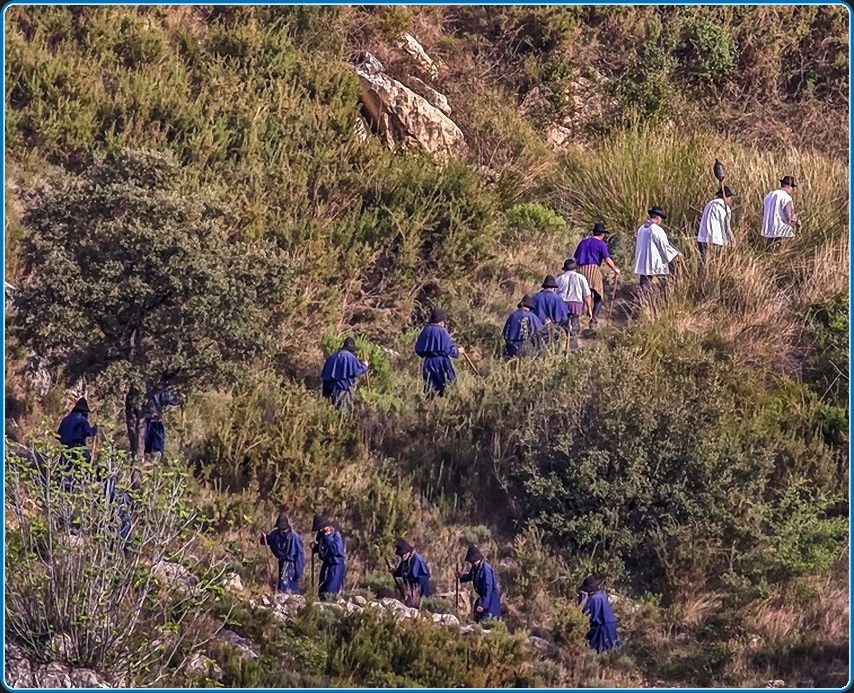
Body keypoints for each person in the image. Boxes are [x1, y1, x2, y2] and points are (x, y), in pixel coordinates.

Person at [574, 222, 621, 328]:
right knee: (598, 295)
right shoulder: (601, 244)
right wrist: (615, 269)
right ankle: (593, 321)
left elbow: (575, 258)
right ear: (602, 234)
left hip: (580, 270)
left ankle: (579, 319)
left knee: (582, 295)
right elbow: (607, 259)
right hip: (593, 269)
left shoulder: (583, 242)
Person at [414, 308, 464, 397]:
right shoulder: (442, 331)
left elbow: (418, 349)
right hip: (442, 362)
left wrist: (427, 355)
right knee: (448, 385)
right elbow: (448, 349)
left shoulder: (425, 331)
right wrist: (458, 351)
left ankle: (430, 403)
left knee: (430, 387)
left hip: (428, 363)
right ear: (441, 321)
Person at [633, 206, 682, 292]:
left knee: (644, 282)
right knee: (665, 279)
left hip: (643, 260)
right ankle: (664, 295)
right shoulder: (656, 229)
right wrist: (676, 253)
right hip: (654, 261)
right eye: (661, 218)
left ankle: (642, 298)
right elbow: (664, 246)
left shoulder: (641, 228)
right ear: (658, 217)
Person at [260, 511, 304, 594]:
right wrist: (264, 538)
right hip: (282, 561)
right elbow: (267, 540)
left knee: (287, 584)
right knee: (282, 582)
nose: (281, 530)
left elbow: (299, 555)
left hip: (291, 564)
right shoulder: (276, 533)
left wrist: (299, 572)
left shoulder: (294, 537)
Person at [320, 337, 370, 412]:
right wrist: (365, 366)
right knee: (344, 414)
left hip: (328, 392)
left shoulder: (332, 357)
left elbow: (325, 377)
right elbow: (357, 372)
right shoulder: (350, 358)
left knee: (329, 412)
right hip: (342, 393)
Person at [456, 544, 501, 623]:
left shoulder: (486, 569)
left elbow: (488, 588)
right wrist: (461, 576)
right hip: (483, 598)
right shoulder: (475, 568)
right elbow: (471, 576)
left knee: (488, 621)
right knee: (479, 619)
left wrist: (483, 604)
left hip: (490, 601)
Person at [577, 575, 621, 653]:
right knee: (612, 649)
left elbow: (585, 614)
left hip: (600, 629)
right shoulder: (602, 596)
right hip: (611, 626)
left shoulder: (592, 599)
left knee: (598, 650)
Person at [556, 259, 593, 349]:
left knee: (562, 327)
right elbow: (587, 295)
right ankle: (572, 347)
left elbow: (555, 294)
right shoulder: (581, 278)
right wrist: (589, 308)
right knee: (575, 325)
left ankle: (561, 346)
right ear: (575, 268)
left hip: (562, 304)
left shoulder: (559, 278)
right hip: (576, 304)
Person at [388, 538, 431, 608]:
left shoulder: (416, 559)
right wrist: (394, 572)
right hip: (411, 589)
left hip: (420, 587)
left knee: (420, 607)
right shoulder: (405, 560)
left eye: (402, 554)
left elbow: (411, 574)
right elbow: (400, 572)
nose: (401, 556)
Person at [310, 515, 345, 600]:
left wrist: (328, 537)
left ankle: (329, 601)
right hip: (327, 563)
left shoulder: (335, 535)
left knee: (331, 587)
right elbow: (323, 547)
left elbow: (336, 550)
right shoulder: (322, 536)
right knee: (322, 585)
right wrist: (315, 547)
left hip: (336, 564)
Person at [697, 186, 736, 259]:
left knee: (704, 262)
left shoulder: (709, 204)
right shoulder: (726, 208)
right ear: (726, 198)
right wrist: (733, 241)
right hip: (716, 240)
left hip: (702, 238)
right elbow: (727, 227)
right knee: (716, 262)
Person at [57, 397, 97, 464]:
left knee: (65, 466)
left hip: (65, 450)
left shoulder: (65, 419)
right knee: (86, 461)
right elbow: (90, 432)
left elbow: (58, 436)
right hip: (78, 449)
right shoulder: (82, 420)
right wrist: (95, 428)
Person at [761, 175, 799, 245]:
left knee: (770, 251)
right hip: (783, 232)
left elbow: (763, 212)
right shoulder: (786, 198)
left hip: (768, 232)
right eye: (792, 187)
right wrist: (797, 222)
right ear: (789, 186)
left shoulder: (768, 196)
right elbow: (789, 217)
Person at [144, 389, 183, 455]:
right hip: (150, 422)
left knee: (150, 449)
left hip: (147, 421)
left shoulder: (157, 387)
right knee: (153, 449)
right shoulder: (158, 387)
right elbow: (169, 398)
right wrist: (181, 398)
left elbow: (169, 398)